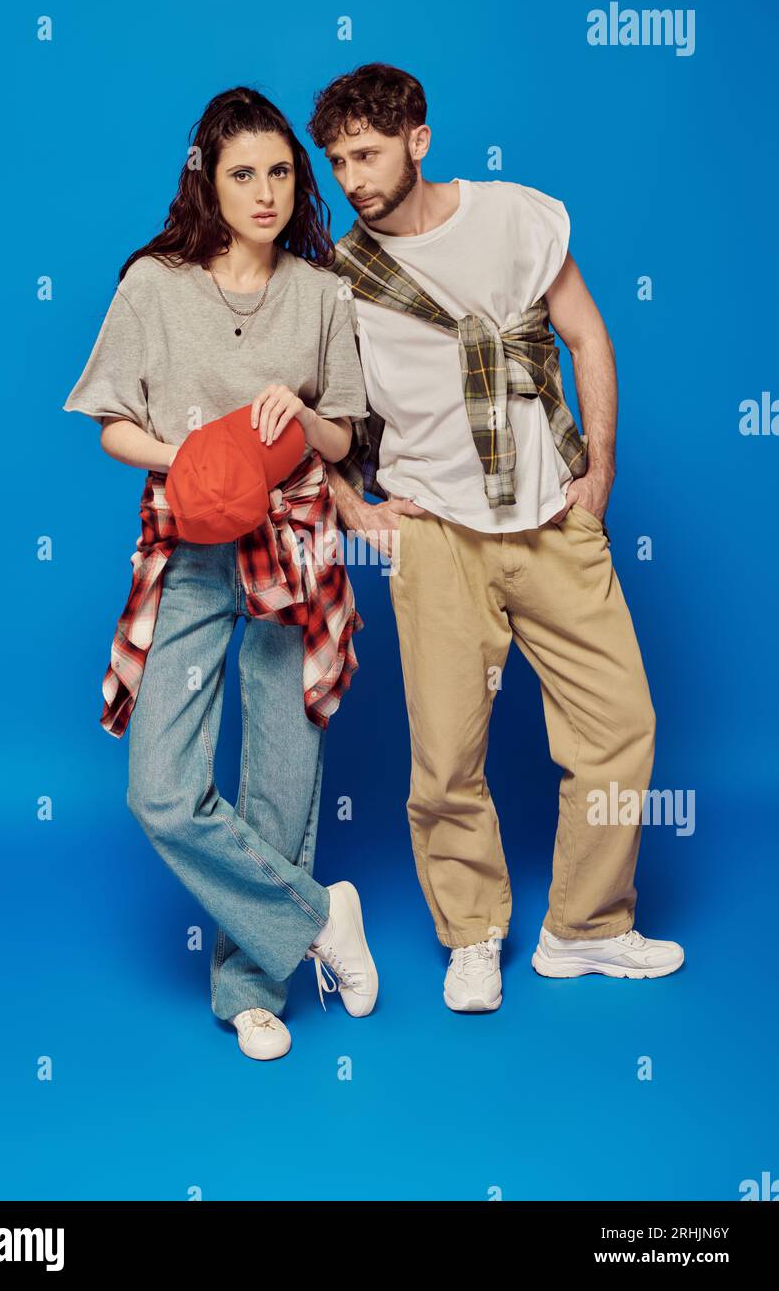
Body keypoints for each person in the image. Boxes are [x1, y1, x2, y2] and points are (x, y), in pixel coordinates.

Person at [306, 62, 684, 1012]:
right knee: (444, 761)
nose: (351, 177)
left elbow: (588, 338)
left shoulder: (518, 218)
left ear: (417, 139)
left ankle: (585, 929)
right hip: (437, 534)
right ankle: (471, 937)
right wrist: (357, 511)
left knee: (619, 728)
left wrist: (596, 478)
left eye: (367, 152)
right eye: (337, 160)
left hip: (553, 519)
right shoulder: (340, 279)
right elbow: (316, 417)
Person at [63, 86, 379, 1060]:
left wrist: (299, 416)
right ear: (207, 176)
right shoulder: (155, 285)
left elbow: (346, 436)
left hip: (294, 544)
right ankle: (320, 917)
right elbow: (112, 422)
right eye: (242, 173)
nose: (265, 192)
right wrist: (202, 459)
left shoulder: (323, 292)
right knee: (161, 788)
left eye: (280, 172)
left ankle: (251, 987)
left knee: (281, 779)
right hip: (194, 542)